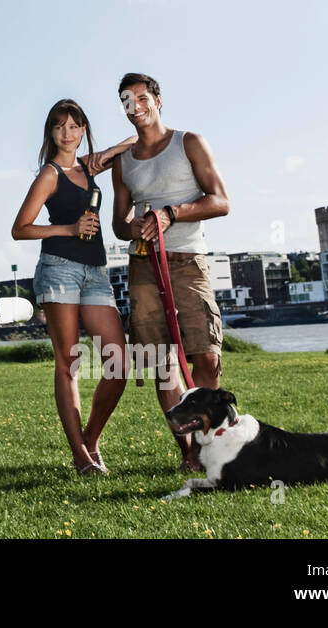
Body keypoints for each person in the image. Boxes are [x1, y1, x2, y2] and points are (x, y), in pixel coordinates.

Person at [110, 72, 230, 472]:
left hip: (188, 260)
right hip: (144, 264)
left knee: (207, 358)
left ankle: (212, 444)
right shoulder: (123, 163)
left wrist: (169, 214)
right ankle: (190, 455)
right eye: (127, 101)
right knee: (162, 360)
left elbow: (220, 200)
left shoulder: (189, 142)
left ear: (158, 101)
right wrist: (136, 226)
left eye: (142, 98)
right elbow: (118, 222)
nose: (136, 106)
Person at [12, 100, 132, 475]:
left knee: (118, 362)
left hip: (96, 272)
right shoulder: (49, 174)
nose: (68, 133)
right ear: (51, 132)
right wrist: (69, 229)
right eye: (60, 126)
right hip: (59, 269)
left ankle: (90, 439)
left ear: (83, 131)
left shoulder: (89, 166)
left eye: (75, 126)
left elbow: (132, 140)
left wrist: (108, 153)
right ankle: (81, 457)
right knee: (70, 363)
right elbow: (21, 228)